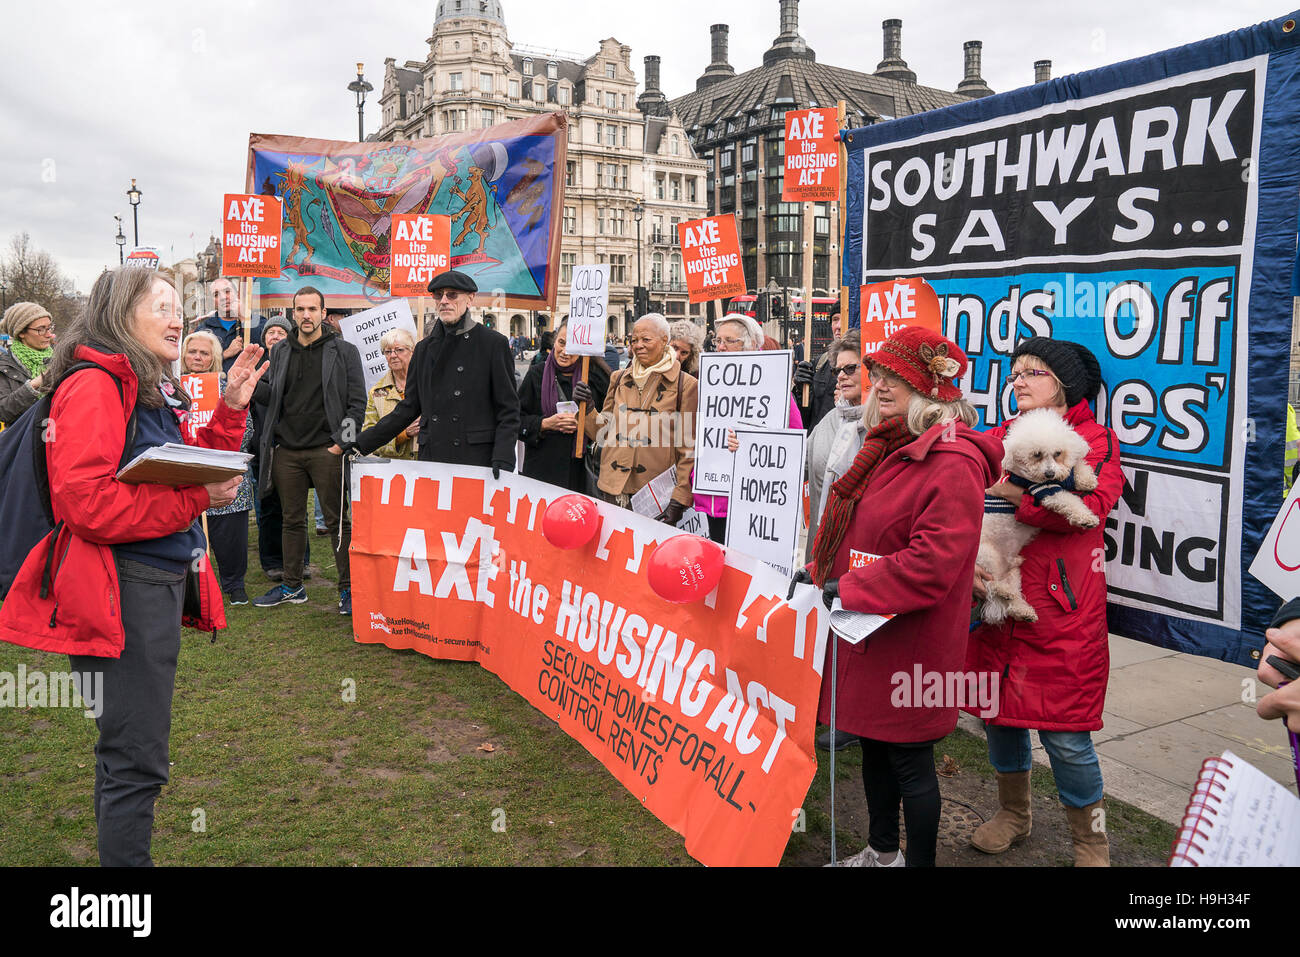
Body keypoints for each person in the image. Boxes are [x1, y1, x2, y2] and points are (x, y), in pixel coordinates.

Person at [0, 267, 266, 866]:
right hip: (122, 590)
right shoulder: (95, 385)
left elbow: (187, 468)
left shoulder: (140, 382)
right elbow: (87, 503)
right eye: (163, 306)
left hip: (146, 584)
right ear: (121, 314)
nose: (179, 319)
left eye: (180, 307)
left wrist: (227, 412)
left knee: (126, 750)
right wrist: (198, 499)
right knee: (136, 758)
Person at [791, 326, 1000, 867]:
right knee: (877, 750)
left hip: (913, 641)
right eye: (877, 374)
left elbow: (933, 564)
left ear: (933, 392)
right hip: (870, 629)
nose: (879, 385)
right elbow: (865, 534)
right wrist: (819, 570)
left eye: (896, 378)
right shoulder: (890, 444)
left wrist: (849, 587)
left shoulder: (952, 462)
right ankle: (882, 854)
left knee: (910, 763)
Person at [965, 337, 1124, 867]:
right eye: (1014, 374)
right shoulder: (997, 435)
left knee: (1067, 735)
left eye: (1032, 372)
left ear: (1063, 383)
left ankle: (1090, 842)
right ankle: (1014, 814)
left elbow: (1088, 507)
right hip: (996, 595)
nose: (1019, 380)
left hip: (1062, 608)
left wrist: (1007, 489)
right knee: (1000, 716)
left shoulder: (1095, 439)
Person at [252, 287, 365, 614]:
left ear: (322, 312)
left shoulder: (343, 351)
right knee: (292, 520)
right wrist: (249, 383)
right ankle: (292, 586)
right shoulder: (281, 352)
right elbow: (275, 397)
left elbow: (357, 404)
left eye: (312, 309)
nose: (305, 315)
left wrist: (340, 443)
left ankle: (348, 591)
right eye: (300, 309)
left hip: (326, 450)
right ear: (292, 313)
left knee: (336, 522)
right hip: (287, 450)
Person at [353, 270, 519, 475]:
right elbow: (408, 408)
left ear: (470, 298)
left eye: (452, 295)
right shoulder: (423, 349)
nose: (444, 301)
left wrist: (503, 458)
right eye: (438, 295)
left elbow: (508, 410)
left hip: (477, 459)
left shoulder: (493, 344)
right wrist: (360, 443)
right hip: (433, 457)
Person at [694, 313, 802, 543]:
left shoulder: (773, 384)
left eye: (728, 341)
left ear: (752, 344)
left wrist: (750, 443)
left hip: (750, 501)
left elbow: (792, 439)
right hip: (711, 495)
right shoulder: (709, 381)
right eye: (718, 341)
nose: (720, 347)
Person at [578, 313, 696, 522]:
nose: (638, 345)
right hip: (613, 489)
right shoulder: (620, 377)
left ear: (664, 341)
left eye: (646, 340)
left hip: (655, 495)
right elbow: (602, 433)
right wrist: (588, 409)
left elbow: (688, 448)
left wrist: (680, 498)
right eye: (634, 340)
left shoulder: (685, 384)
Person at [180, 331, 254, 604]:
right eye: (192, 352)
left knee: (230, 534)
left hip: (225, 471)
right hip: (188, 473)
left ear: (214, 358)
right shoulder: (172, 389)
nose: (197, 357)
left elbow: (246, 432)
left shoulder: (228, 387)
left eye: (204, 353)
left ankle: (234, 585)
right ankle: (195, 587)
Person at [247, 316, 308, 581]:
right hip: (264, 449)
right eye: (270, 332)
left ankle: (300, 562)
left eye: (281, 331)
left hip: (294, 447)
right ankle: (272, 561)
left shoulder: (301, 366)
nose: (275, 335)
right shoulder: (254, 369)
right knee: (269, 508)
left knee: (295, 508)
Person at [518, 321, 611, 490]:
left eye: (573, 348)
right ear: (554, 341)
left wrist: (587, 418)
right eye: (561, 343)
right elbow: (515, 421)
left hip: (581, 475)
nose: (565, 352)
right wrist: (545, 424)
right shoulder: (536, 374)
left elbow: (609, 431)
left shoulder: (596, 379)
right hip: (541, 473)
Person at [362, 328, 420, 460]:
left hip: (428, 467)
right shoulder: (377, 392)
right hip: (394, 471)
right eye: (387, 351)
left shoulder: (428, 383)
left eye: (399, 350)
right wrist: (403, 435)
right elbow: (370, 438)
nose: (393, 355)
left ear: (412, 351)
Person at [0, 301, 55, 426]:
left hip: (56, 437)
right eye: (40, 329)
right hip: (24, 440)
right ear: (21, 332)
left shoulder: (60, 358)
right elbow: (3, 411)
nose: (49, 334)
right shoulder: (4, 366)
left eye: (49, 327)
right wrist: (33, 386)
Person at [193, 277, 261, 375]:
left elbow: (263, 347)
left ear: (237, 294)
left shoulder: (258, 321)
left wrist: (244, 318)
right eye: (216, 295)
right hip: (215, 387)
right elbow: (196, 364)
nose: (223, 297)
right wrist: (225, 354)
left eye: (227, 291)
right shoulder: (203, 330)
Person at [793, 302, 841, 430]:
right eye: (835, 320)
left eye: (843, 318)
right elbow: (804, 418)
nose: (838, 326)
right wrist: (800, 391)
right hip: (817, 443)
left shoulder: (866, 364)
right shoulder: (819, 363)